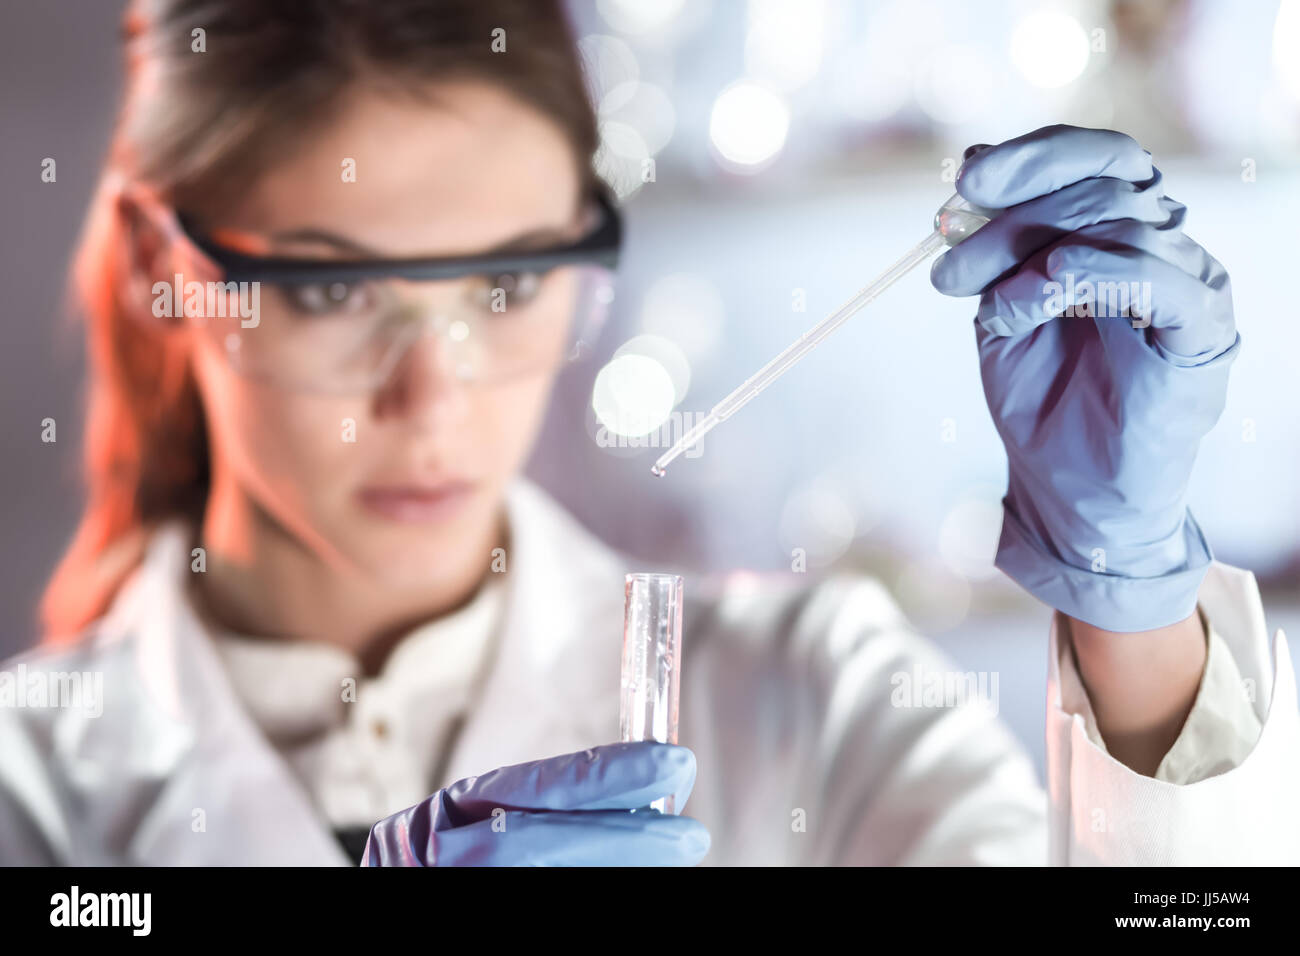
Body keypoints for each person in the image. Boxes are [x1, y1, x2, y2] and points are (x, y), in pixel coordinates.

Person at [1, 0, 1295, 867]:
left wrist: (1134, 613)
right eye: (333, 290)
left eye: (506, 286)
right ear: (153, 267)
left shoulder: (817, 697)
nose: (434, 402)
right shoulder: (34, 793)